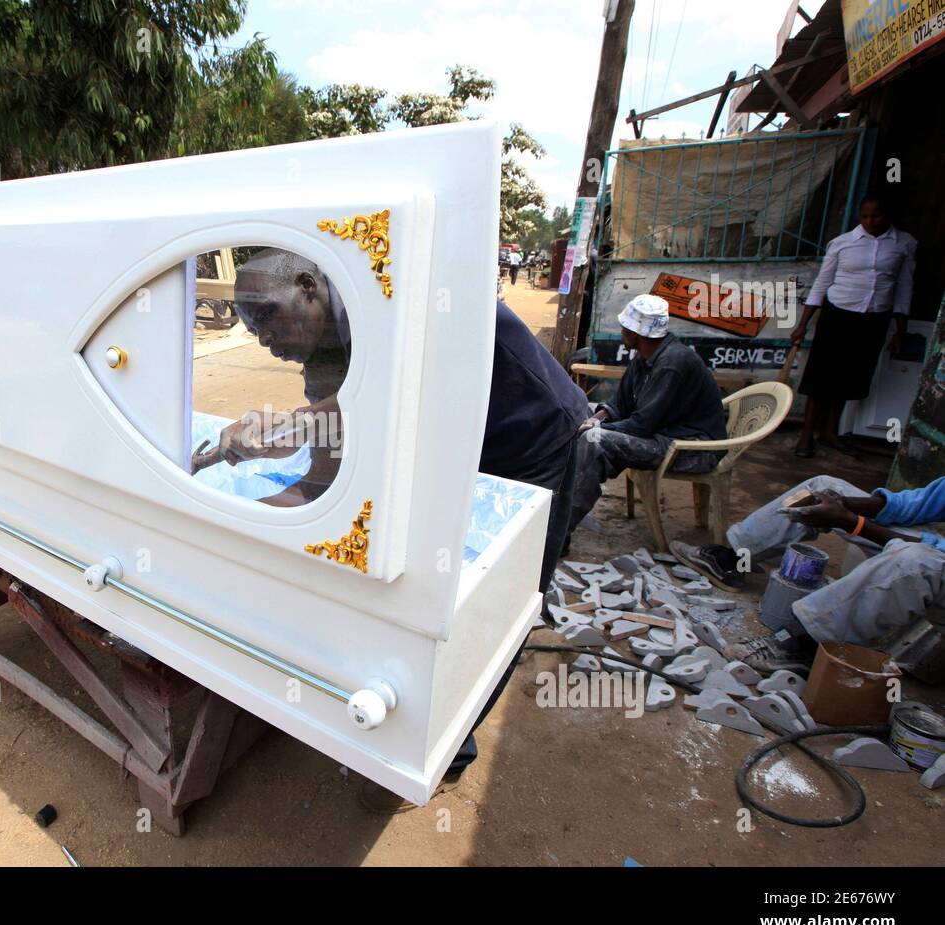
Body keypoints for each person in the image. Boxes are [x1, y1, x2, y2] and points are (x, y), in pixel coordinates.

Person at [221, 248, 588, 810]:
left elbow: (371, 410)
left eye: (267, 314)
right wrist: (243, 511)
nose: (261, 335)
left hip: (533, 438)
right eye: (249, 325)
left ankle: (445, 751)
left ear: (308, 286)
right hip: (457, 440)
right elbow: (327, 468)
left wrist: (286, 435)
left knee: (495, 595)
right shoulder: (320, 343)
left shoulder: (392, 304)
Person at [671, 475, 945, 673]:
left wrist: (849, 521)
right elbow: (914, 503)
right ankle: (731, 560)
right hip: (927, 544)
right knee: (822, 486)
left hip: (934, 562)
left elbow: (931, 551)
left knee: (915, 562)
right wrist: (843, 503)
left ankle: (804, 643)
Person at [568, 294, 727, 534]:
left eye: (625, 328)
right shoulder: (644, 357)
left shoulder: (672, 363)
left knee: (594, 441)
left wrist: (596, 429)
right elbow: (620, 403)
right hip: (661, 432)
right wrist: (595, 418)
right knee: (575, 412)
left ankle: (560, 529)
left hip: (690, 448)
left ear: (636, 334)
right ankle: (561, 506)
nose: (622, 331)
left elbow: (641, 424)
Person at [790, 197, 916, 457]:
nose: (870, 222)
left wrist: (900, 327)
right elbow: (821, 284)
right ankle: (806, 435)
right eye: (865, 217)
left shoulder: (903, 244)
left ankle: (830, 432)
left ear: (887, 216)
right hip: (838, 315)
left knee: (850, 376)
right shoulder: (842, 243)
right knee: (820, 376)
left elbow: (904, 288)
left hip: (873, 317)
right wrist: (802, 324)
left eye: (876, 216)